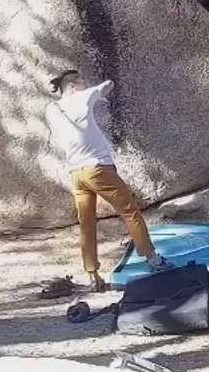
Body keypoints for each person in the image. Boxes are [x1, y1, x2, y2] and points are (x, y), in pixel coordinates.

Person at [45, 70, 170, 291]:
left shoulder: (51, 109)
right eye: (81, 81)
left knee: (87, 222)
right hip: (98, 169)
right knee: (130, 211)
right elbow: (106, 85)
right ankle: (153, 259)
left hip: (76, 173)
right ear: (72, 86)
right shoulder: (82, 97)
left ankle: (93, 274)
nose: (85, 84)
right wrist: (105, 85)